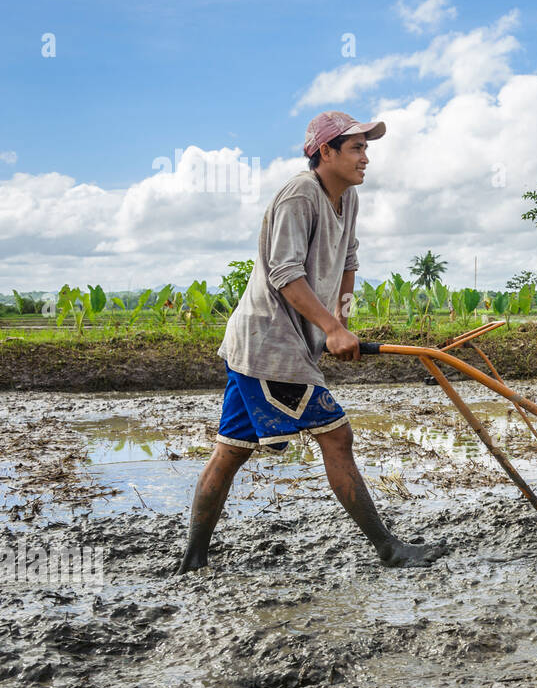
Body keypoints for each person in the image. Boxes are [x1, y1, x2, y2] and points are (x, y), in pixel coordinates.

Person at [177, 111, 445, 573]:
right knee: (337, 438)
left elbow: (349, 260)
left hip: (273, 346)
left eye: (367, 148)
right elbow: (284, 273)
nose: (366, 158)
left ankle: (193, 560)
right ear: (326, 152)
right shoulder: (300, 195)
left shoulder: (349, 198)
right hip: (270, 345)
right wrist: (332, 330)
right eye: (357, 148)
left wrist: (335, 324)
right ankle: (389, 549)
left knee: (232, 449)